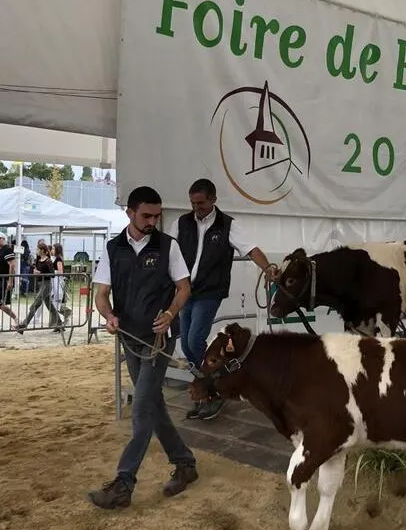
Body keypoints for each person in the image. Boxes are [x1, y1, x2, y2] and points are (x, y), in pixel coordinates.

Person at [88, 186, 197, 509]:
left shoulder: (168, 246)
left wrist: (170, 313)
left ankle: (124, 482)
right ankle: (185, 462)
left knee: (141, 409)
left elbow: (184, 287)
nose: (152, 221)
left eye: (156, 216)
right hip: (130, 337)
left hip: (159, 340)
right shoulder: (113, 248)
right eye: (146, 215)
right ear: (130, 213)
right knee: (153, 404)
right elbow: (101, 294)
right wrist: (109, 316)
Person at [169, 178, 277, 421]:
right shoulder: (180, 223)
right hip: (184, 291)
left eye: (201, 203)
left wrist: (267, 267)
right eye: (192, 203)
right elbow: (169, 251)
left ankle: (212, 391)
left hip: (210, 292)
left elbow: (252, 249)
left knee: (195, 339)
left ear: (213, 199)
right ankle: (209, 389)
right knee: (186, 345)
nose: (196, 208)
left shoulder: (228, 225)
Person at [0, 232, 20, 330]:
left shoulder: (7, 250)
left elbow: (12, 265)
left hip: (3, 280)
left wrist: (10, 281)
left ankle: (16, 318)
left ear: (3, 239)